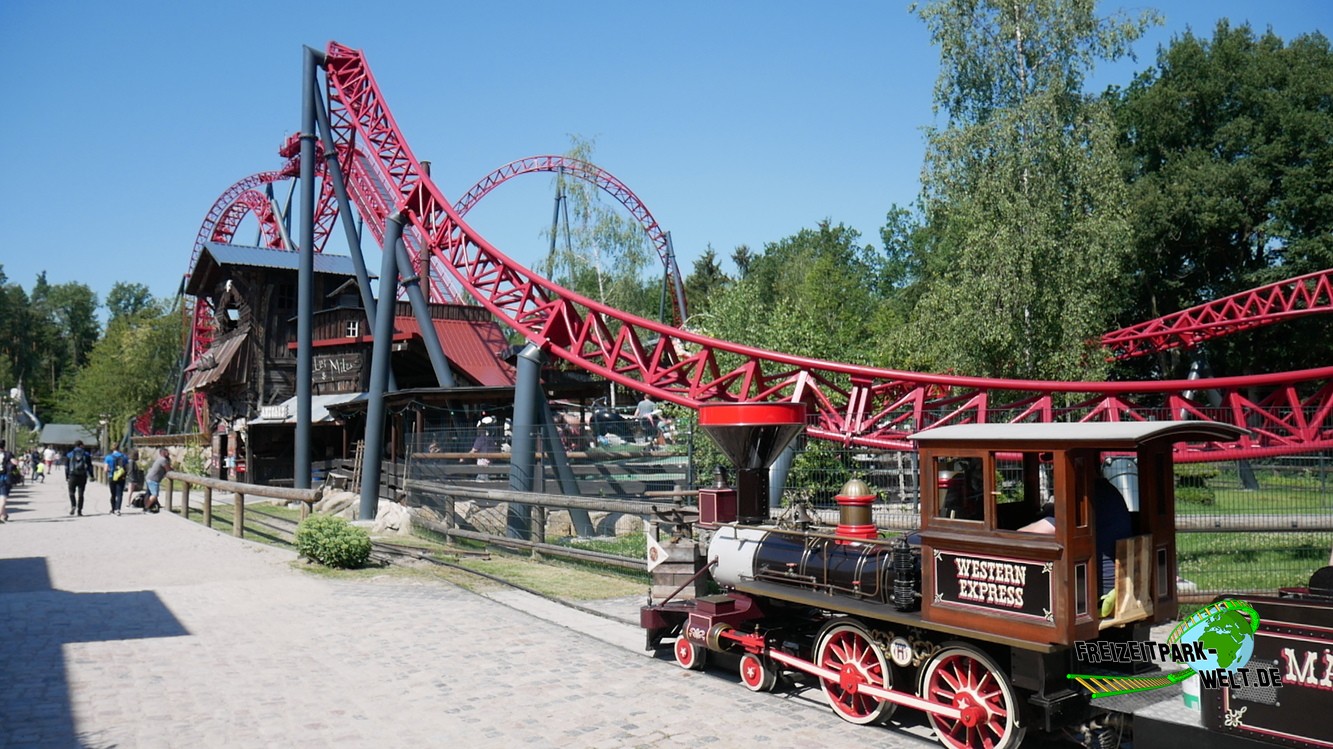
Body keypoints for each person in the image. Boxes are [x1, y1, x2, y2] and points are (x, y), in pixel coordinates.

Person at [66, 440, 94, 516]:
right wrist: (91, 475)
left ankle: (73, 505)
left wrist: (67, 476)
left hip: (72, 475)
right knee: (81, 493)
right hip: (82, 475)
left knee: (71, 492)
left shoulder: (70, 454)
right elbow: (90, 466)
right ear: (81, 445)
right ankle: (79, 510)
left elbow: (67, 467)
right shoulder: (86, 454)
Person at [469, 417, 498, 481]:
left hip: (482, 464)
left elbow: (473, 451)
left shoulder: (480, 439)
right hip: (490, 464)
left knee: (481, 481)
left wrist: (464, 457)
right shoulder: (491, 440)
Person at [104, 445, 129, 516]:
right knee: (120, 494)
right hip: (121, 477)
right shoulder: (124, 457)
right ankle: (118, 509)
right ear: (119, 448)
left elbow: (105, 469)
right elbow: (127, 468)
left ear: (112, 448)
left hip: (112, 477)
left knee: (113, 494)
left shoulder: (108, 457)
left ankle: (113, 509)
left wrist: (111, 471)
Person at [144, 448, 171, 513]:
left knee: (148, 493)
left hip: (149, 478)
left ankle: (148, 506)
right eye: (166, 452)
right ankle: (146, 508)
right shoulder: (163, 460)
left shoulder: (159, 459)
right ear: (162, 453)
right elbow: (168, 470)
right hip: (153, 479)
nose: (168, 453)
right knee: (154, 494)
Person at [0, 439, 13, 523]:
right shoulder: (7, 454)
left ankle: (4, 515)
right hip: (3, 478)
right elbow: (15, 462)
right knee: (3, 498)